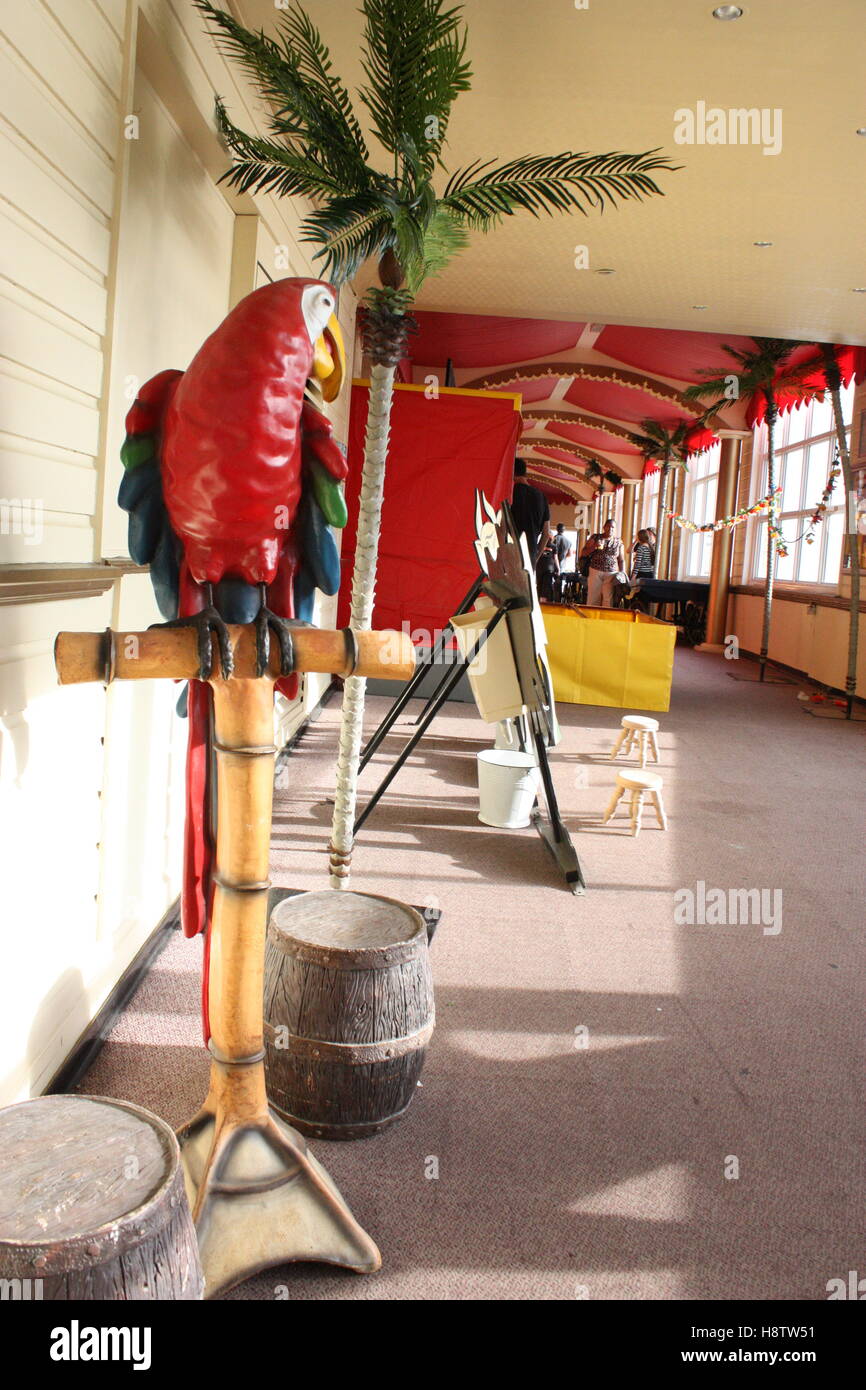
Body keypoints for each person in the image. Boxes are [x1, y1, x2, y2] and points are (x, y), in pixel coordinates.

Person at [510, 458, 550, 564]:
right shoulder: (541, 497)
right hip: (529, 558)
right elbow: (546, 534)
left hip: (509, 555)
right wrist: (534, 558)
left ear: (512, 472)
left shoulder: (510, 494)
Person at [580, 518, 625, 607]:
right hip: (595, 571)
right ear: (604, 527)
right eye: (608, 526)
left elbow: (621, 560)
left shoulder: (618, 542)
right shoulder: (596, 537)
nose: (610, 529)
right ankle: (591, 617)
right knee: (593, 597)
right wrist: (594, 546)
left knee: (608, 599)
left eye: (613, 527)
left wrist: (622, 572)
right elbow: (584, 553)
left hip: (611, 573)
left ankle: (604, 618)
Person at [535, 530, 559, 602]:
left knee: (542, 584)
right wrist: (558, 568)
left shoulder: (539, 545)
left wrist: (558, 568)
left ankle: (541, 600)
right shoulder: (552, 546)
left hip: (544, 568)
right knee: (544, 584)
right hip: (546, 568)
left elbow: (555, 558)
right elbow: (555, 558)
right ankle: (542, 600)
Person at [553, 523, 574, 600]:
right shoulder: (568, 541)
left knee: (550, 584)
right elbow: (570, 554)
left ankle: (551, 600)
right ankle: (558, 600)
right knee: (559, 584)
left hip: (552, 564)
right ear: (564, 530)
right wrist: (563, 557)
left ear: (557, 529)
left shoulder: (554, 539)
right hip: (562, 565)